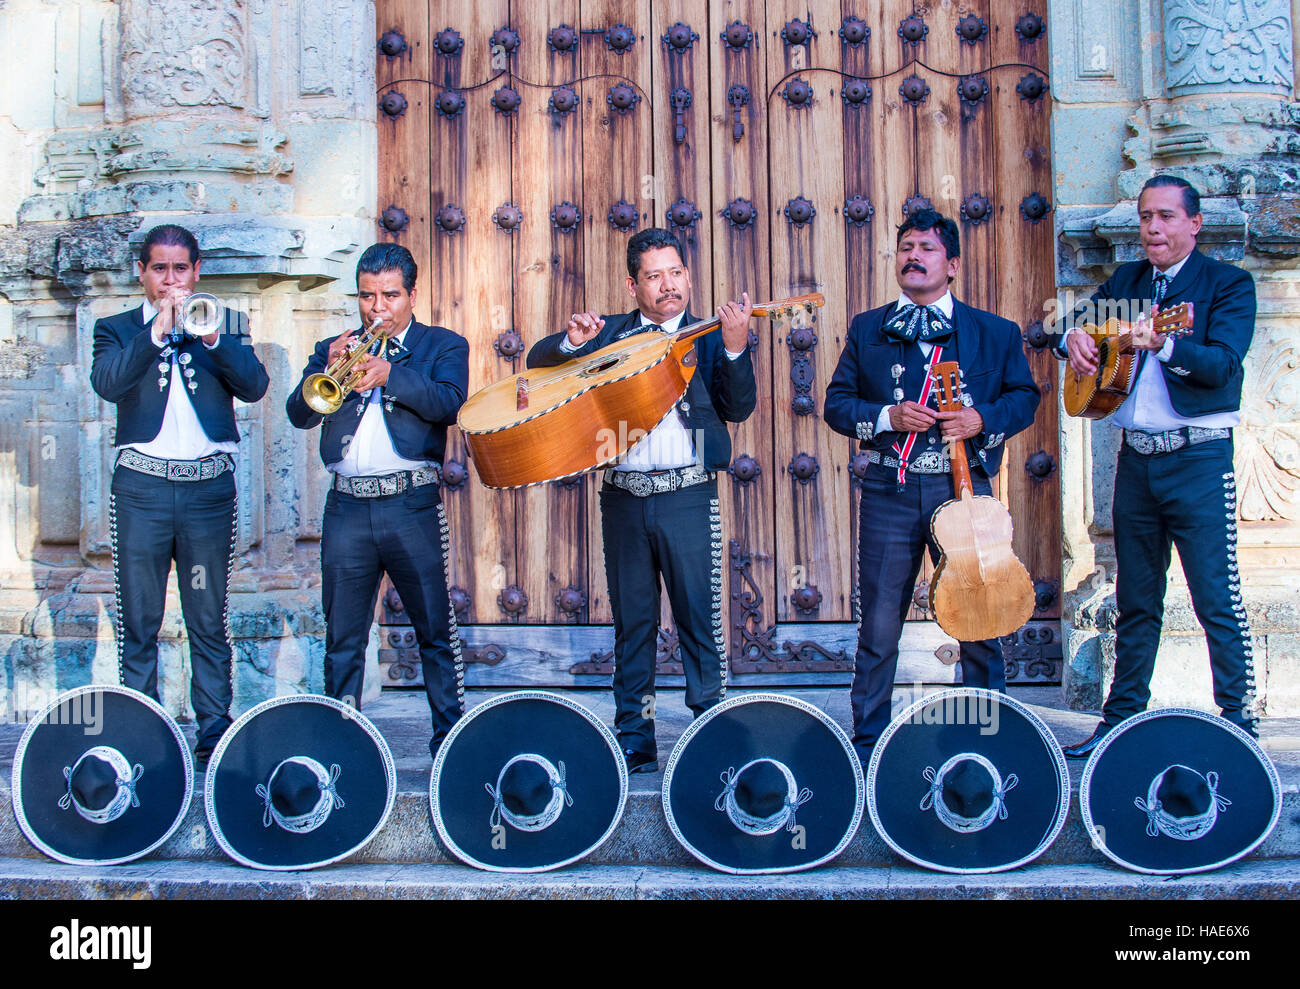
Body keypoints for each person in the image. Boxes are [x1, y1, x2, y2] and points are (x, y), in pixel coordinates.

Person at [526, 228, 756, 773]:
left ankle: (707, 724)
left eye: (675, 272)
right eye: (654, 276)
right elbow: (539, 362)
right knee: (634, 622)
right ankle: (636, 733)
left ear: (687, 276)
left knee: (699, 616)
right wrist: (573, 345)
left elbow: (738, 407)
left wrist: (735, 346)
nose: (668, 285)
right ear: (633, 285)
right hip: (625, 499)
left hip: (688, 495)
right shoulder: (610, 334)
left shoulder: (707, 334)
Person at [825, 208, 1040, 767]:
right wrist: (887, 416)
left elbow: (1025, 396)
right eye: (905, 248)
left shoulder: (995, 332)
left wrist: (982, 419)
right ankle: (867, 742)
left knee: (982, 613)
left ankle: (987, 737)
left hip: (966, 496)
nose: (913, 257)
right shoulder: (867, 328)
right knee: (879, 622)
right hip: (890, 495)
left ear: (953, 264)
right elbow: (837, 404)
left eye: (926, 248)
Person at [1057, 175, 1259, 757]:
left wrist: (1162, 344)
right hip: (1137, 465)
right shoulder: (1128, 281)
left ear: (1194, 224)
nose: (1153, 228)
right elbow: (1078, 329)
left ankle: (1239, 719)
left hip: (1198, 460)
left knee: (1214, 595)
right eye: (1147, 217)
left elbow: (1222, 366)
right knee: (1135, 600)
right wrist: (1074, 337)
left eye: (1167, 217)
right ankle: (1118, 724)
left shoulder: (1227, 285)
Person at [90, 223, 270, 767]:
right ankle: (142, 730)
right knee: (139, 618)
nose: (171, 280)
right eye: (160, 269)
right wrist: (156, 333)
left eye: (181, 269)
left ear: (197, 272)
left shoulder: (227, 324)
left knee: (207, 615)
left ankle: (214, 729)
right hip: (142, 489)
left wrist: (211, 338)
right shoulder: (115, 329)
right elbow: (109, 384)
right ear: (141, 272)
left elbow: (255, 386)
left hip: (207, 492)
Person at [286, 243, 469, 760]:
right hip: (346, 508)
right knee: (343, 632)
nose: (377, 307)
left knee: (434, 627)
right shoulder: (332, 346)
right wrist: (326, 366)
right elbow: (299, 414)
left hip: (410, 505)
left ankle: (449, 741)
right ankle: (343, 744)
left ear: (412, 294)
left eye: (389, 295)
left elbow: (449, 403)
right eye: (367, 296)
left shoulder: (442, 345)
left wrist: (392, 374)